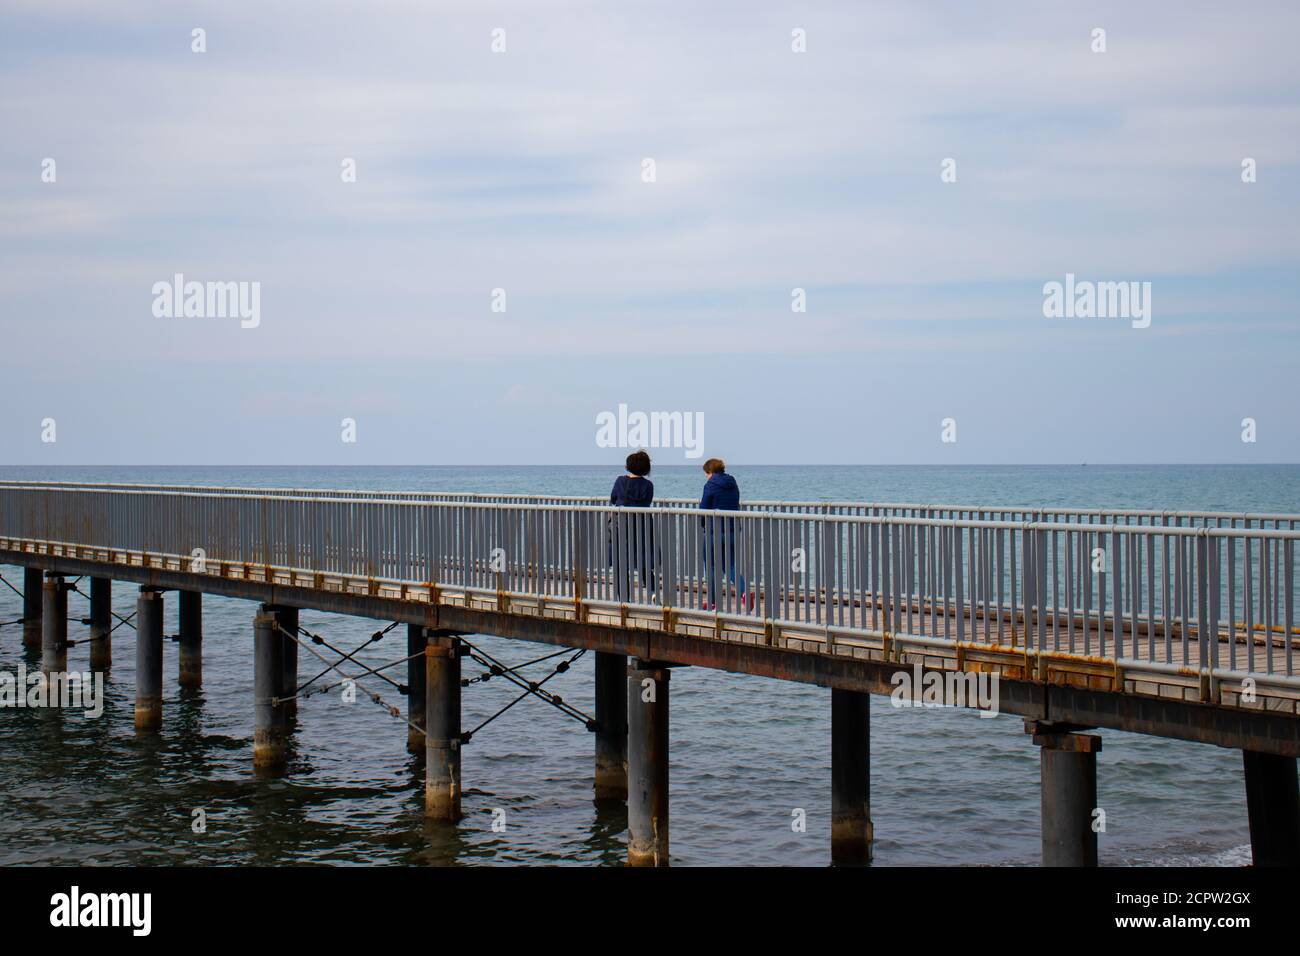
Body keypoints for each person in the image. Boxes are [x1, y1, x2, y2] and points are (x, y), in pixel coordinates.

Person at [699, 458, 751, 611]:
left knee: (712, 567)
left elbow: (703, 508)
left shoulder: (710, 485)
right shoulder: (732, 483)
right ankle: (744, 593)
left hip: (714, 531)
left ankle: (713, 603)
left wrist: (703, 524)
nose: (706, 477)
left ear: (710, 472)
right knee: (730, 565)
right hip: (733, 529)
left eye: (706, 474)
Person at [609, 450, 654, 598]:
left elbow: (613, 498)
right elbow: (647, 502)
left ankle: (624, 598)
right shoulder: (648, 485)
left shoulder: (620, 481)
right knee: (644, 559)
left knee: (621, 563)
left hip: (621, 525)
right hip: (642, 525)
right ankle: (653, 592)